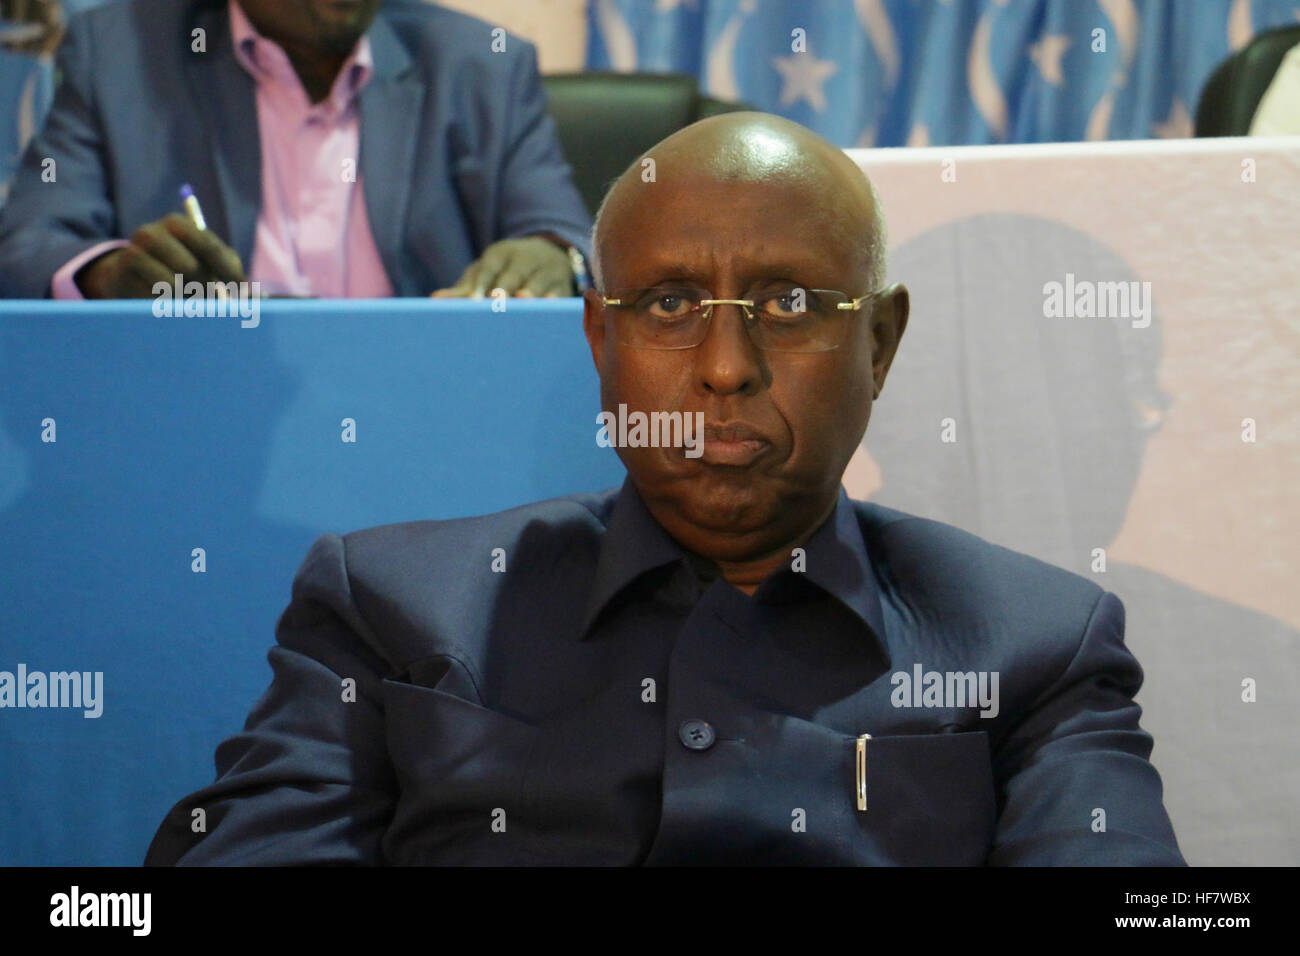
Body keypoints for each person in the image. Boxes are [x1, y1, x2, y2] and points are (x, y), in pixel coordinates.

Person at [144, 112, 1185, 866]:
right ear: (600, 338)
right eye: (671, 302)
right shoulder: (389, 601)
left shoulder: (1035, 642)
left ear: (879, 339)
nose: (727, 366)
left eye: (787, 301)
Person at [0, 0, 591, 298]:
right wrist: (108, 275)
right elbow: (27, 246)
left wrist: (552, 259)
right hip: (208, 410)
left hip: (421, 409)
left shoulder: (480, 64)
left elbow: (568, 235)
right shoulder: (120, 54)